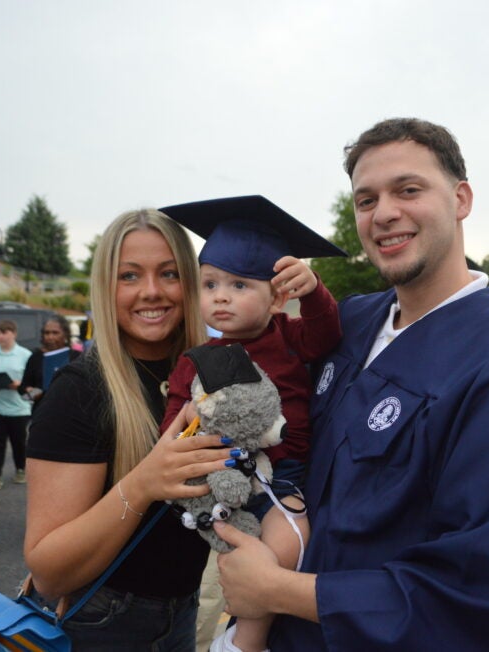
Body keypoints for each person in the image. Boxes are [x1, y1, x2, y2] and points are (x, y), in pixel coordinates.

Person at [202, 118, 489, 651]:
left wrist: (278, 590)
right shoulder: (349, 322)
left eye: (409, 190)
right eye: (366, 199)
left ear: (461, 198)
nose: (384, 214)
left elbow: (488, 592)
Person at [24, 209, 237, 650]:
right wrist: (143, 483)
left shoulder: (207, 373)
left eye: (169, 273)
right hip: (104, 621)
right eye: (130, 276)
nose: (152, 292)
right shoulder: (81, 390)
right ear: (106, 286)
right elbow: (47, 571)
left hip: (185, 610)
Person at [160, 195, 346, 652]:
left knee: (284, 551)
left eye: (240, 285)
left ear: (277, 297)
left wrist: (314, 290)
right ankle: (242, 639)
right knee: (227, 569)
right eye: (209, 284)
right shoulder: (195, 360)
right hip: (225, 483)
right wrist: (188, 423)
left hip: (281, 482)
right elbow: (170, 434)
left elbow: (328, 332)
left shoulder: (288, 336)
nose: (221, 295)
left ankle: (246, 638)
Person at [0, 319, 33, 489]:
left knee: (19, 442)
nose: (1, 336)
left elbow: (32, 384)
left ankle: (21, 469)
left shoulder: (25, 354)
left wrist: (18, 385)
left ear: (14, 334)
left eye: (5, 332)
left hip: (19, 408)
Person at [19, 314, 81, 411]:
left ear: (65, 334)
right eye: (46, 333)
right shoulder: (36, 357)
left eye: (55, 333)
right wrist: (32, 392)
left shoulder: (76, 357)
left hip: (71, 411)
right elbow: (23, 388)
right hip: (42, 412)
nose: (50, 337)